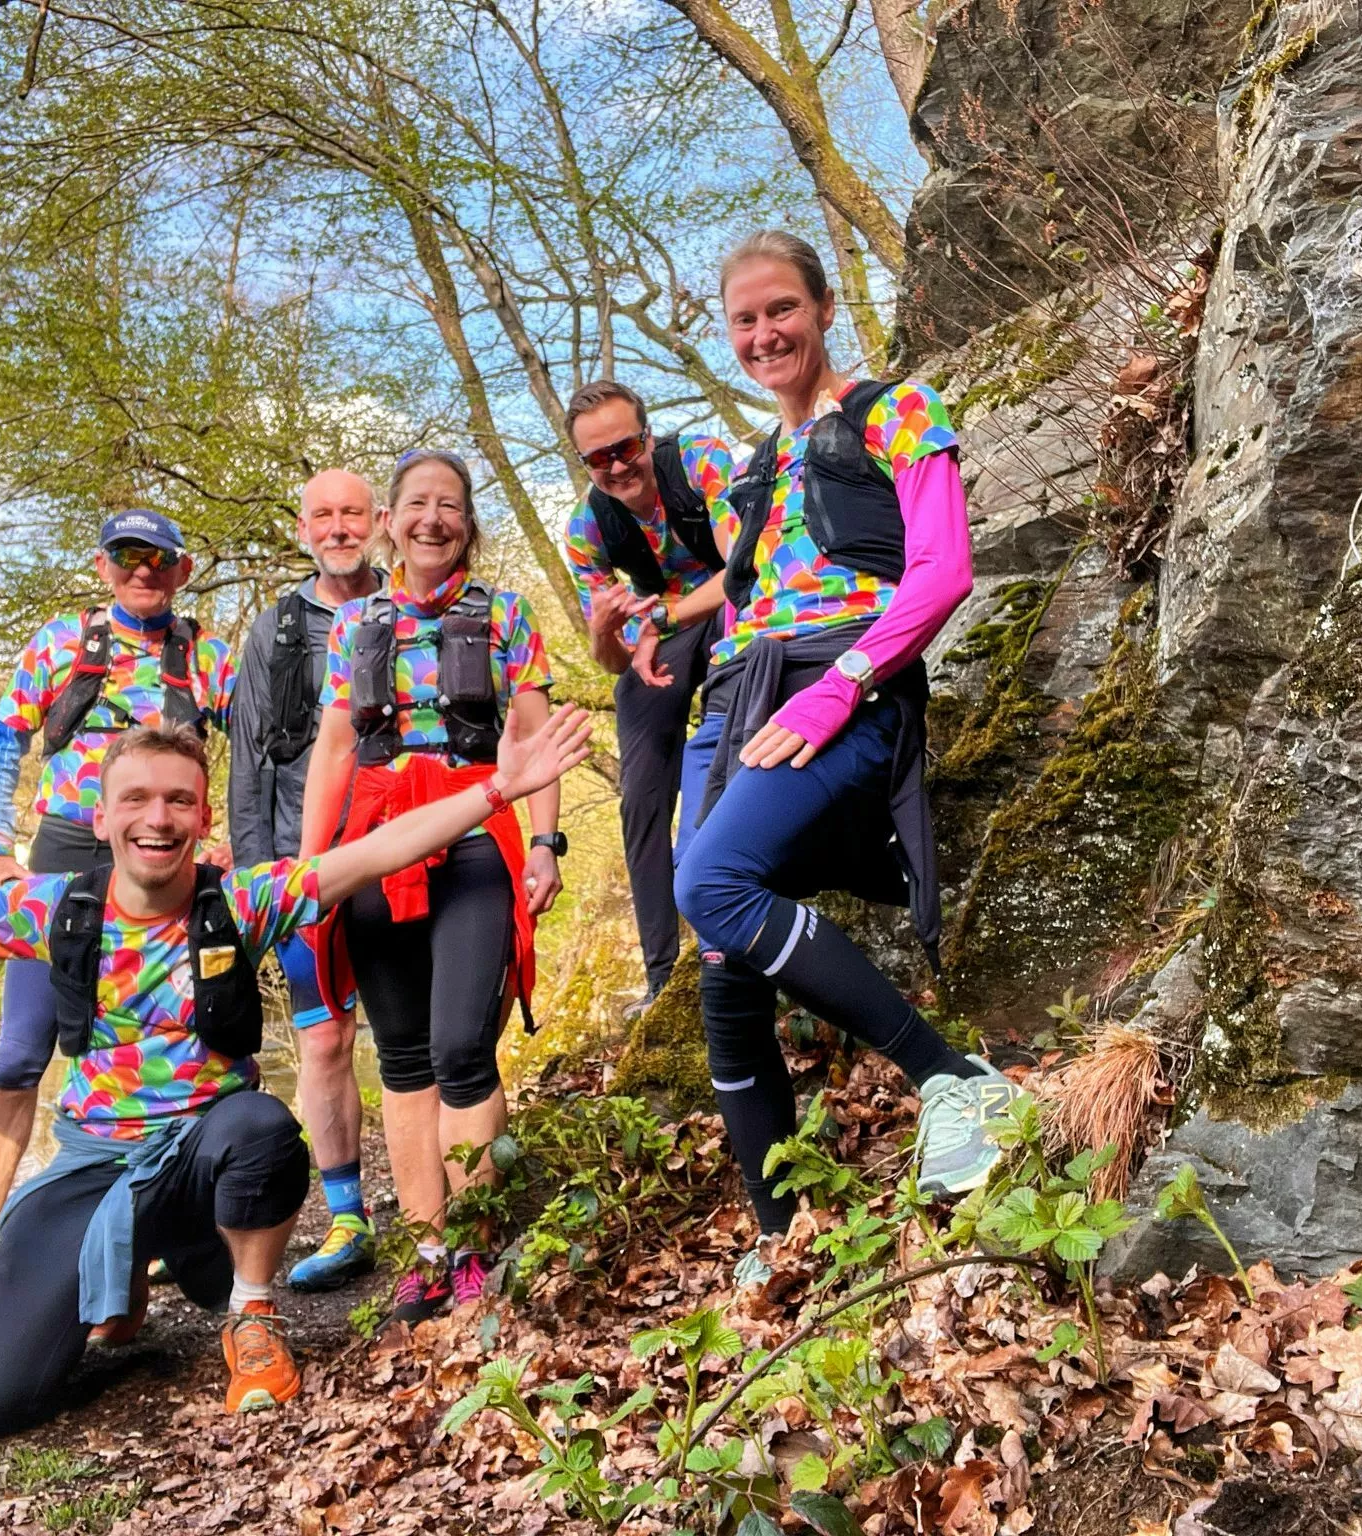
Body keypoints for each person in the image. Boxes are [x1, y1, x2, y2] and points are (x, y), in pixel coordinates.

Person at [0, 711, 593, 1437]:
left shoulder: (242, 901)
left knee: (262, 1129)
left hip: (206, 1157)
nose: (158, 819)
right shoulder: (51, 907)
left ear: (201, 816)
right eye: (137, 800)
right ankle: (110, 1292)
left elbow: (371, 854)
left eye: (179, 801)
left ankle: (250, 1313)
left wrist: (497, 793)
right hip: (93, 1159)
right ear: (101, 817)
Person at [672, 231, 1021, 1284]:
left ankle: (955, 1081)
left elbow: (942, 570)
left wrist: (843, 686)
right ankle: (776, 1233)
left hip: (840, 687)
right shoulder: (751, 463)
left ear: (822, 310)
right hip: (731, 702)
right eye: (742, 319)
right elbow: (740, 599)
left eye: (780, 309)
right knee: (721, 954)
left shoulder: (893, 409)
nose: (762, 332)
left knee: (712, 884)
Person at [0, 510, 234, 1324]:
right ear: (104, 564)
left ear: (182, 571)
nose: (143, 570)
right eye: (128, 556)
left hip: (163, 860)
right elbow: (2, 743)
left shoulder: (208, 656)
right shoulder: (62, 643)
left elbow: (256, 748)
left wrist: (235, 846)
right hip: (65, 852)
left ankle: (141, 1235)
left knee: (155, 1041)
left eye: (160, 559)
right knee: (21, 1051)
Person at [298, 448, 563, 1325]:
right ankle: (427, 1250)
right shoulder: (353, 627)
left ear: (467, 524)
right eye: (416, 504)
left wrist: (546, 846)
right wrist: (313, 870)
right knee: (402, 1054)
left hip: (476, 825)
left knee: (459, 1046)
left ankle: (478, 1244)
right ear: (391, 522)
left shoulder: (505, 616)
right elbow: (335, 750)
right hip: (375, 840)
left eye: (449, 506)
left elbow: (533, 741)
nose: (432, 520)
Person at [227, 469, 386, 1292]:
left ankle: (449, 1210)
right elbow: (249, 756)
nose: (338, 527)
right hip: (304, 864)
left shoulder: (413, 611)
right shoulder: (275, 631)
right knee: (323, 1039)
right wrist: (258, 874)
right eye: (322, 515)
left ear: (379, 521)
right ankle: (349, 1217)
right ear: (302, 529)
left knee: (410, 1032)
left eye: (352, 513)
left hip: (403, 851)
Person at [562, 381, 738, 1011]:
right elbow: (612, 661)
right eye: (597, 458)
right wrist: (603, 629)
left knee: (721, 757)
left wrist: (662, 618)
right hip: (661, 632)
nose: (617, 465)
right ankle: (663, 971)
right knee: (640, 794)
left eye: (626, 446)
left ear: (648, 436)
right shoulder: (586, 529)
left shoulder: (704, 462)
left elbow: (747, 568)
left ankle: (733, 919)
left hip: (729, 607)